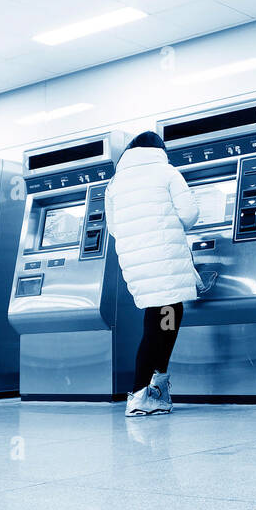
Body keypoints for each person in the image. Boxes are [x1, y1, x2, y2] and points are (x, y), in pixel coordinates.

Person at [104, 131, 200, 417]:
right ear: (159, 149)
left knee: (155, 323)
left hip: (137, 263)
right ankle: (142, 393)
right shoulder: (167, 172)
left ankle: (152, 390)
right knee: (165, 322)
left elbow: (112, 228)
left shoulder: (115, 182)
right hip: (165, 261)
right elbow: (189, 214)